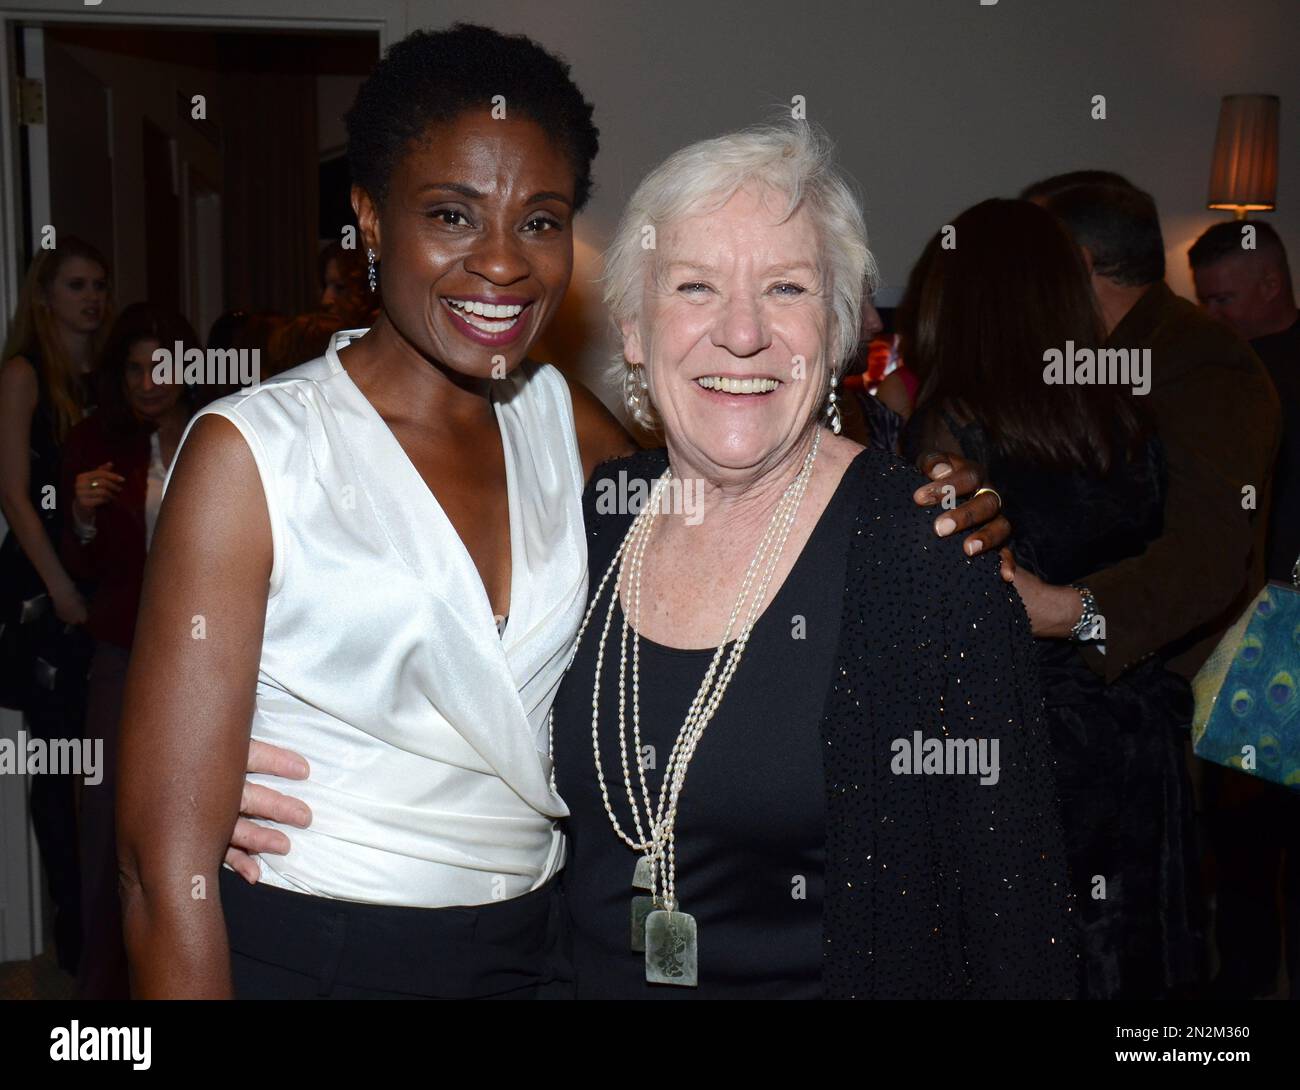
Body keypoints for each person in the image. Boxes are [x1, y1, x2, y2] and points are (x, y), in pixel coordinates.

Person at [169, 37, 1010, 999]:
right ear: (368, 219)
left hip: (532, 956)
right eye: (450, 214)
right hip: (319, 943)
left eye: (539, 221)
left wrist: (941, 520)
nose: (500, 259)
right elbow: (161, 868)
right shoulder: (255, 450)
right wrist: (204, 784)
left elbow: (728, 467)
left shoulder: (556, 422)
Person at [545, 124, 1075, 999]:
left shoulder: (927, 559)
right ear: (634, 329)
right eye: (695, 286)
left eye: (786, 288)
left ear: (837, 332)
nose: (741, 333)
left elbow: (1012, 931)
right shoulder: (597, 519)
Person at [902, 198, 1194, 998]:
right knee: (1130, 952)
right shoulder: (1121, 414)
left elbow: (942, 616)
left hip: (1026, 743)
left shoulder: (956, 424)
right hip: (1135, 729)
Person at [61, 302, 200, 999]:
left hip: (206, 663)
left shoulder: (219, 430)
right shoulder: (93, 441)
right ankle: (101, 999)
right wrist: (81, 517)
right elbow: (81, 568)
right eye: (135, 369)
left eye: (162, 367)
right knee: (104, 824)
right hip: (122, 654)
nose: (149, 383)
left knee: (194, 824)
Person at [1189, 218, 1300, 999]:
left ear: (1271, 284)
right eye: (1204, 300)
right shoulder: (1215, 372)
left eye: (1223, 298)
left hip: (1281, 614)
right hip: (1250, 627)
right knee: (1242, 832)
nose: (1213, 314)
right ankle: (1244, 986)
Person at [0, 237, 110, 975]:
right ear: (45, 295)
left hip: (91, 581)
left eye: (99, 285)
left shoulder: (100, 379)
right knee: (55, 761)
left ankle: (98, 929)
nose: (92, 298)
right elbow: (13, 494)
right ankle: (72, 936)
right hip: (42, 593)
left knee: (99, 760)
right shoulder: (23, 374)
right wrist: (61, 587)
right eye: (76, 285)